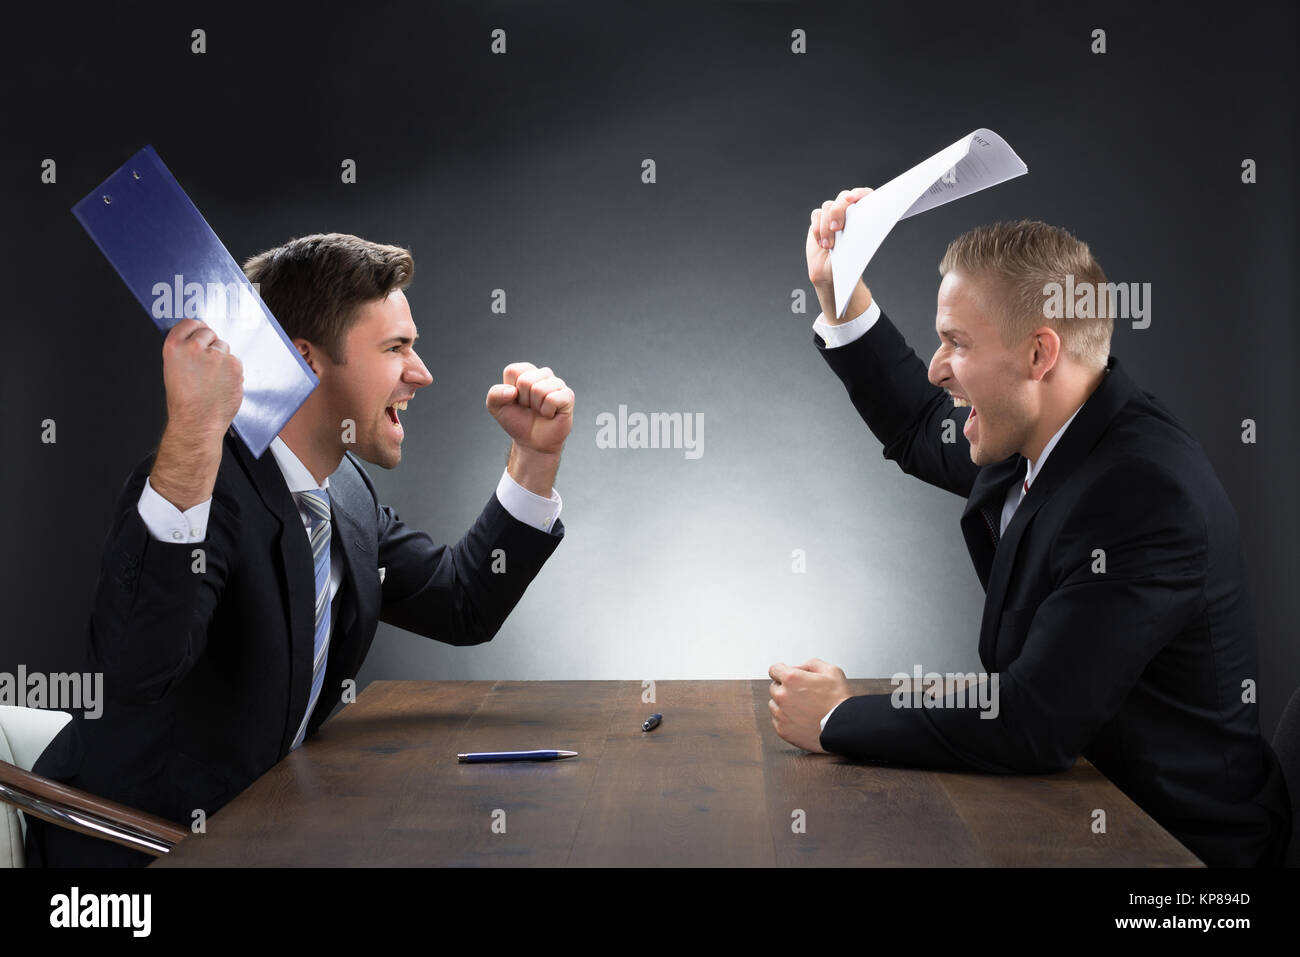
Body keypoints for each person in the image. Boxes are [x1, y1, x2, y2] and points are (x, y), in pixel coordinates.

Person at [767, 188, 1292, 867]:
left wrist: (839, 717)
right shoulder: (1040, 429)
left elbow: (1031, 722)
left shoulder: (1145, 492)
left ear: (1039, 354)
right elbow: (920, 424)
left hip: (1182, 862)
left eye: (956, 342)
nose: (936, 367)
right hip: (1073, 818)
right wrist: (839, 290)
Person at [26, 233, 574, 866]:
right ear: (306, 359)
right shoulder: (203, 485)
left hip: (269, 833)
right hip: (125, 850)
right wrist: (193, 435)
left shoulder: (343, 493)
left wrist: (535, 457)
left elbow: (462, 603)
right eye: (395, 348)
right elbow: (134, 671)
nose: (421, 374)